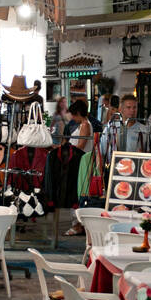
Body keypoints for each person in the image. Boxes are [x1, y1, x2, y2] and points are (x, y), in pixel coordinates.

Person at [63, 100, 94, 236]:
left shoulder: (85, 125)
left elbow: (81, 145)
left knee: (76, 193)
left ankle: (77, 224)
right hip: (78, 161)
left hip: (80, 162)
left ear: (77, 113)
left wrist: (66, 149)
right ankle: (78, 223)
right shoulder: (83, 125)